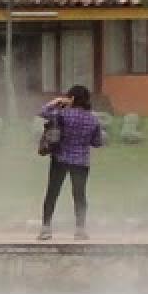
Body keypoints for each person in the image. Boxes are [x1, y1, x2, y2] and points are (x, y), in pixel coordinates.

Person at [37, 84, 106, 240]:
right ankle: (80, 229)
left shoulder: (62, 114)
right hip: (81, 161)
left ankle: (46, 229)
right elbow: (97, 142)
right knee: (79, 195)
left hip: (60, 158)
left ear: (72, 98)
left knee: (52, 192)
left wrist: (56, 101)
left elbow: (43, 112)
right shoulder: (93, 119)